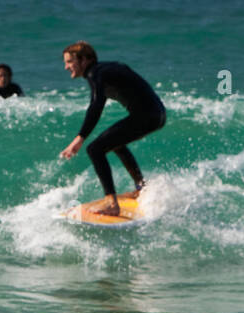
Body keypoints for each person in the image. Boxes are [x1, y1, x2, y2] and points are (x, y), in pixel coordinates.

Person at [58, 41, 166, 216]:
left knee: (95, 149)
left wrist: (80, 137)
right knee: (115, 143)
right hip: (156, 114)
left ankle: (111, 203)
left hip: (147, 115)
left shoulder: (95, 73)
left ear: (84, 60)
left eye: (70, 62)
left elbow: (96, 105)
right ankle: (141, 187)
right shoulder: (105, 70)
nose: (66, 67)